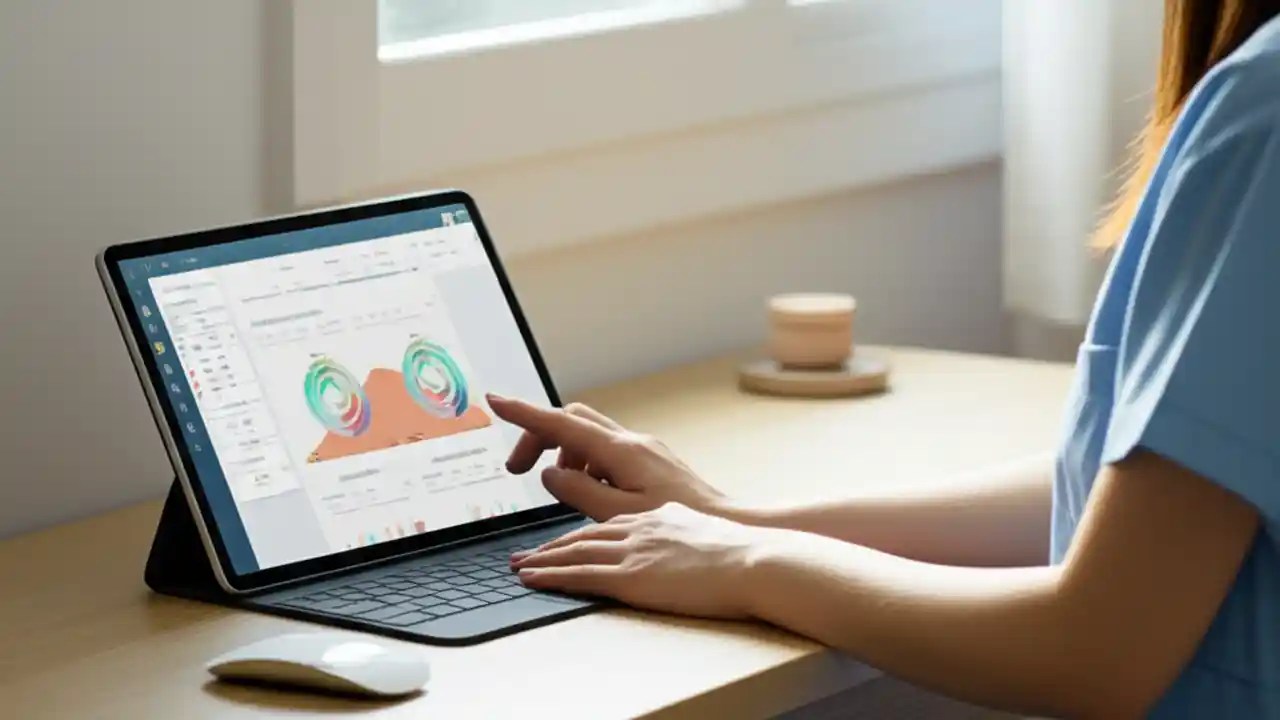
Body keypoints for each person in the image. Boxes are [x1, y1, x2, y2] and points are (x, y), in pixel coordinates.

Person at [488, 2, 1280, 716]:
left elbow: (1095, 650)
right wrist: (737, 521)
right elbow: (1151, 503)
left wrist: (752, 563)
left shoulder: (1265, 110)